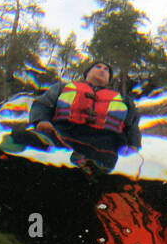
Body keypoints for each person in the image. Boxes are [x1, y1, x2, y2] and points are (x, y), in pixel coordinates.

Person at [10, 61, 142, 173]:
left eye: (106, 69)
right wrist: (42, 120)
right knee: (19, 137)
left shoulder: (124, 100)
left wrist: (133, 144)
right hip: (62, 133)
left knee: (96, 172)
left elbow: (132, 124)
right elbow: (43, 104)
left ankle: (86, 175)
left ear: (109, 78)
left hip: (104, 144)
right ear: (87, 73)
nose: (102, 70)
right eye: (98, 67)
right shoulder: (63, 87)